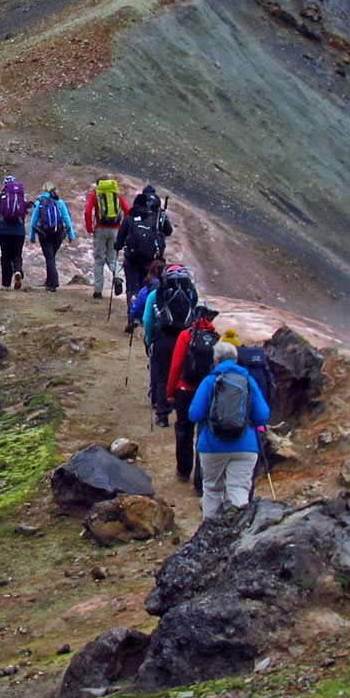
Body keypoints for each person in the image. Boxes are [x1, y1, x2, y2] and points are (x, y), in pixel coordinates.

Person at [189, 341, 271, 519]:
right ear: (236, 359)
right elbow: (263, 416)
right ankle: (238, 535)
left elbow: (194, 414)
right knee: (239, 489)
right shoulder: (248, 381)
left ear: (216, 360)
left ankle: (207, 534)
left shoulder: (210, 381)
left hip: (212, 446)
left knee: (212, 489)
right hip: (245, 446)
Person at [165, 304, 223, 488]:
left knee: (183, 429)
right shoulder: (217, 339)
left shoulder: (186, 336)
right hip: (208, 391)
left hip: (186, 390)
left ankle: (183, 471)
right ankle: (200, 480)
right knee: (204, 433)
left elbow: (176, 366)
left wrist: (170, 391)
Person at [133, 261, 196, 426]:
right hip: (186, 337)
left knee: (163, 376)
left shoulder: (157, 293)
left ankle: (162, 414)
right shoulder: (190, 292)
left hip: (164, 337)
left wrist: (149, 339)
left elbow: (147, 319)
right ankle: (183, 411)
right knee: (184, 374)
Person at [114, 184, 172, 300]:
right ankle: (143, 311)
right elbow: (168, 230)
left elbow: (119, 241)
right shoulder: (156, 215)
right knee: (145, 284)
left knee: (132, 287)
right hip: (150, 257)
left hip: (132, 257)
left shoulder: (130, 219)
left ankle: (132, 311)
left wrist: (117, 247)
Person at [85, 178, 127, 300]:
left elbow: (88, 212)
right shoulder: (116, 194)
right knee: (112, 258)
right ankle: (117, 276)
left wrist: (89, 228)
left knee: (99, 260)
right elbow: (127, 210)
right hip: (115, 229)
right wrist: (124, 228)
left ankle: (98, 292)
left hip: (100, 229)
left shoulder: (95, 195)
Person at [30, 185, 74, 291]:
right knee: (52, 257)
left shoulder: (40, 202)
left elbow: (33, 221)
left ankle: (53, 283)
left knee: (49, 258)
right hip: (58, 233)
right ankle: (49, 281)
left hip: (44, 234)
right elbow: (66, 218)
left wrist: (32, 236)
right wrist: (71, 234)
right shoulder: (60, 202)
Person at [0, 176, 30, 288]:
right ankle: (18, 270)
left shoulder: (1, 197)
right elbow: (24, 214)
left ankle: (6, 283)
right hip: (19, 231)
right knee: (17, 254)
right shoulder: (22, 198)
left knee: (5, 255)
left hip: (4, 230)